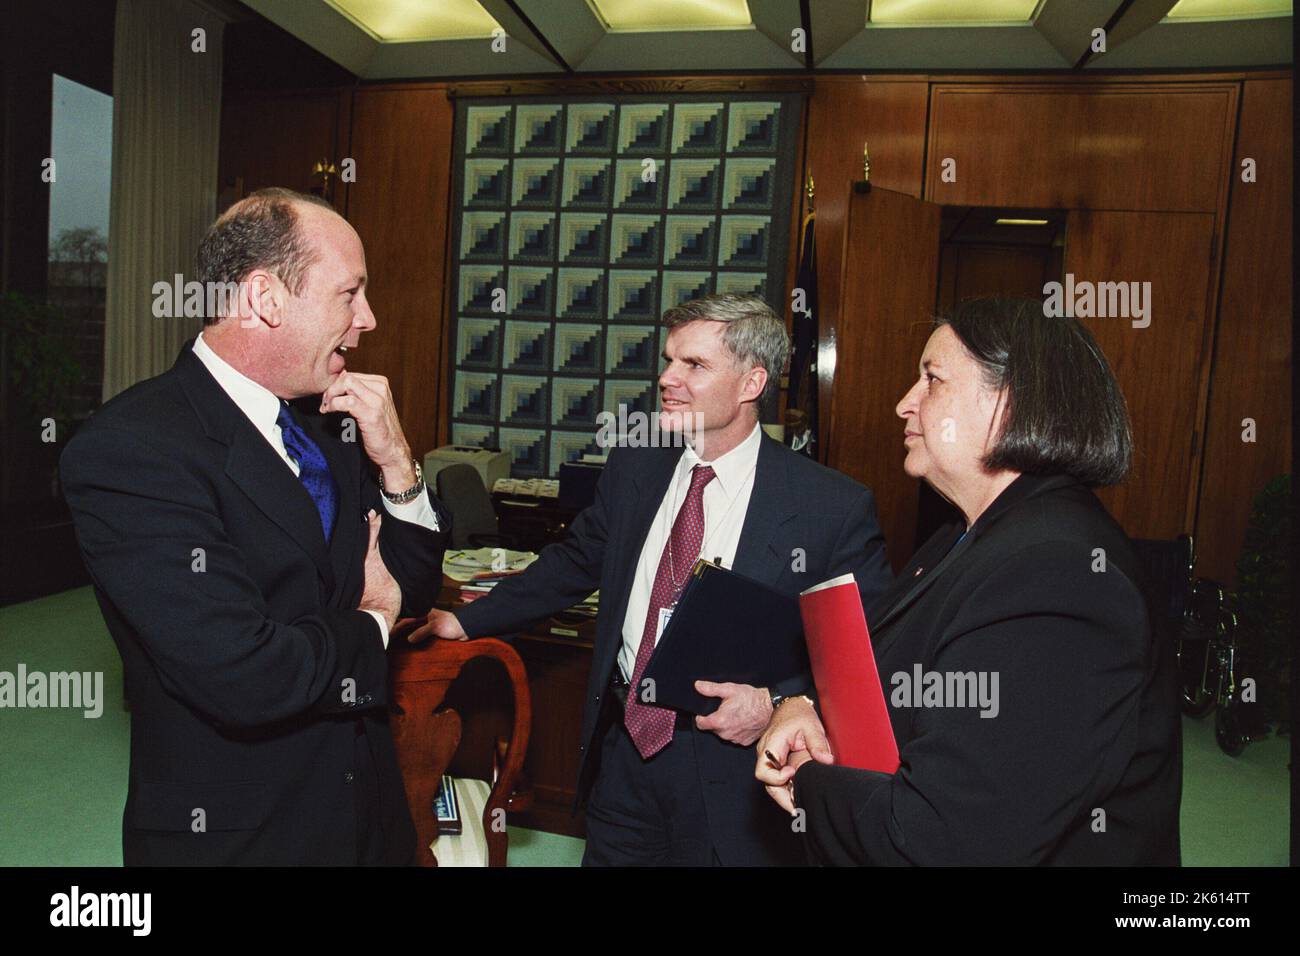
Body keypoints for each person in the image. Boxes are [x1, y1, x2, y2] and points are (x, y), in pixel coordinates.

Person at [421, 294, 893, 865]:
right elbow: (575, 562)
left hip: (738, 778)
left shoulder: (829, 506)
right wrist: (466, 619)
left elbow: (864, 659)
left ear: (751, 383)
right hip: (624, 756)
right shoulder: (636, 466)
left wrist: (775, 702)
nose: (667, 379)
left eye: (693, 365)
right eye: (669, 360)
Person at [60, 187, 448, 865]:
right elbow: (246, 673)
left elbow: (410, 583)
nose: (370, 319)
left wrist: (395, 459)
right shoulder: (132, 450)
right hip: (245, 839)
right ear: (266, 299)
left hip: (370, 822)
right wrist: (373, 621)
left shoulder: (331, 425)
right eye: (350, 294)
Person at [756, 296, 1182, 865]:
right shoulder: (969, 533)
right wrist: (805, 705)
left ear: (1012, 402)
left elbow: (940, 839)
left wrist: (806, 779)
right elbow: (891, 677)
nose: (904, 403)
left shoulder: (1056, 573)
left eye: (931, 379)